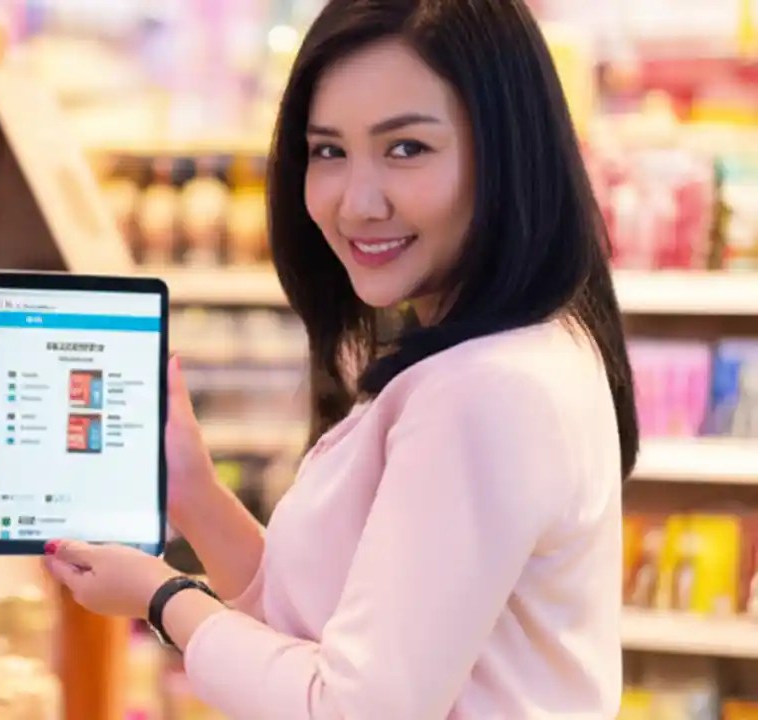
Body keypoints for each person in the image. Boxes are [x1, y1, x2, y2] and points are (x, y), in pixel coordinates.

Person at [43, 0, 638, 717]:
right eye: (328, 150)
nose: (356, 202)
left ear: (506, 152)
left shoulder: (486, 390)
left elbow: (351, 708)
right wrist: (194, 494)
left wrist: (161, 598)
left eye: (406, 148)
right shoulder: (500, 353)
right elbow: (320, 632)